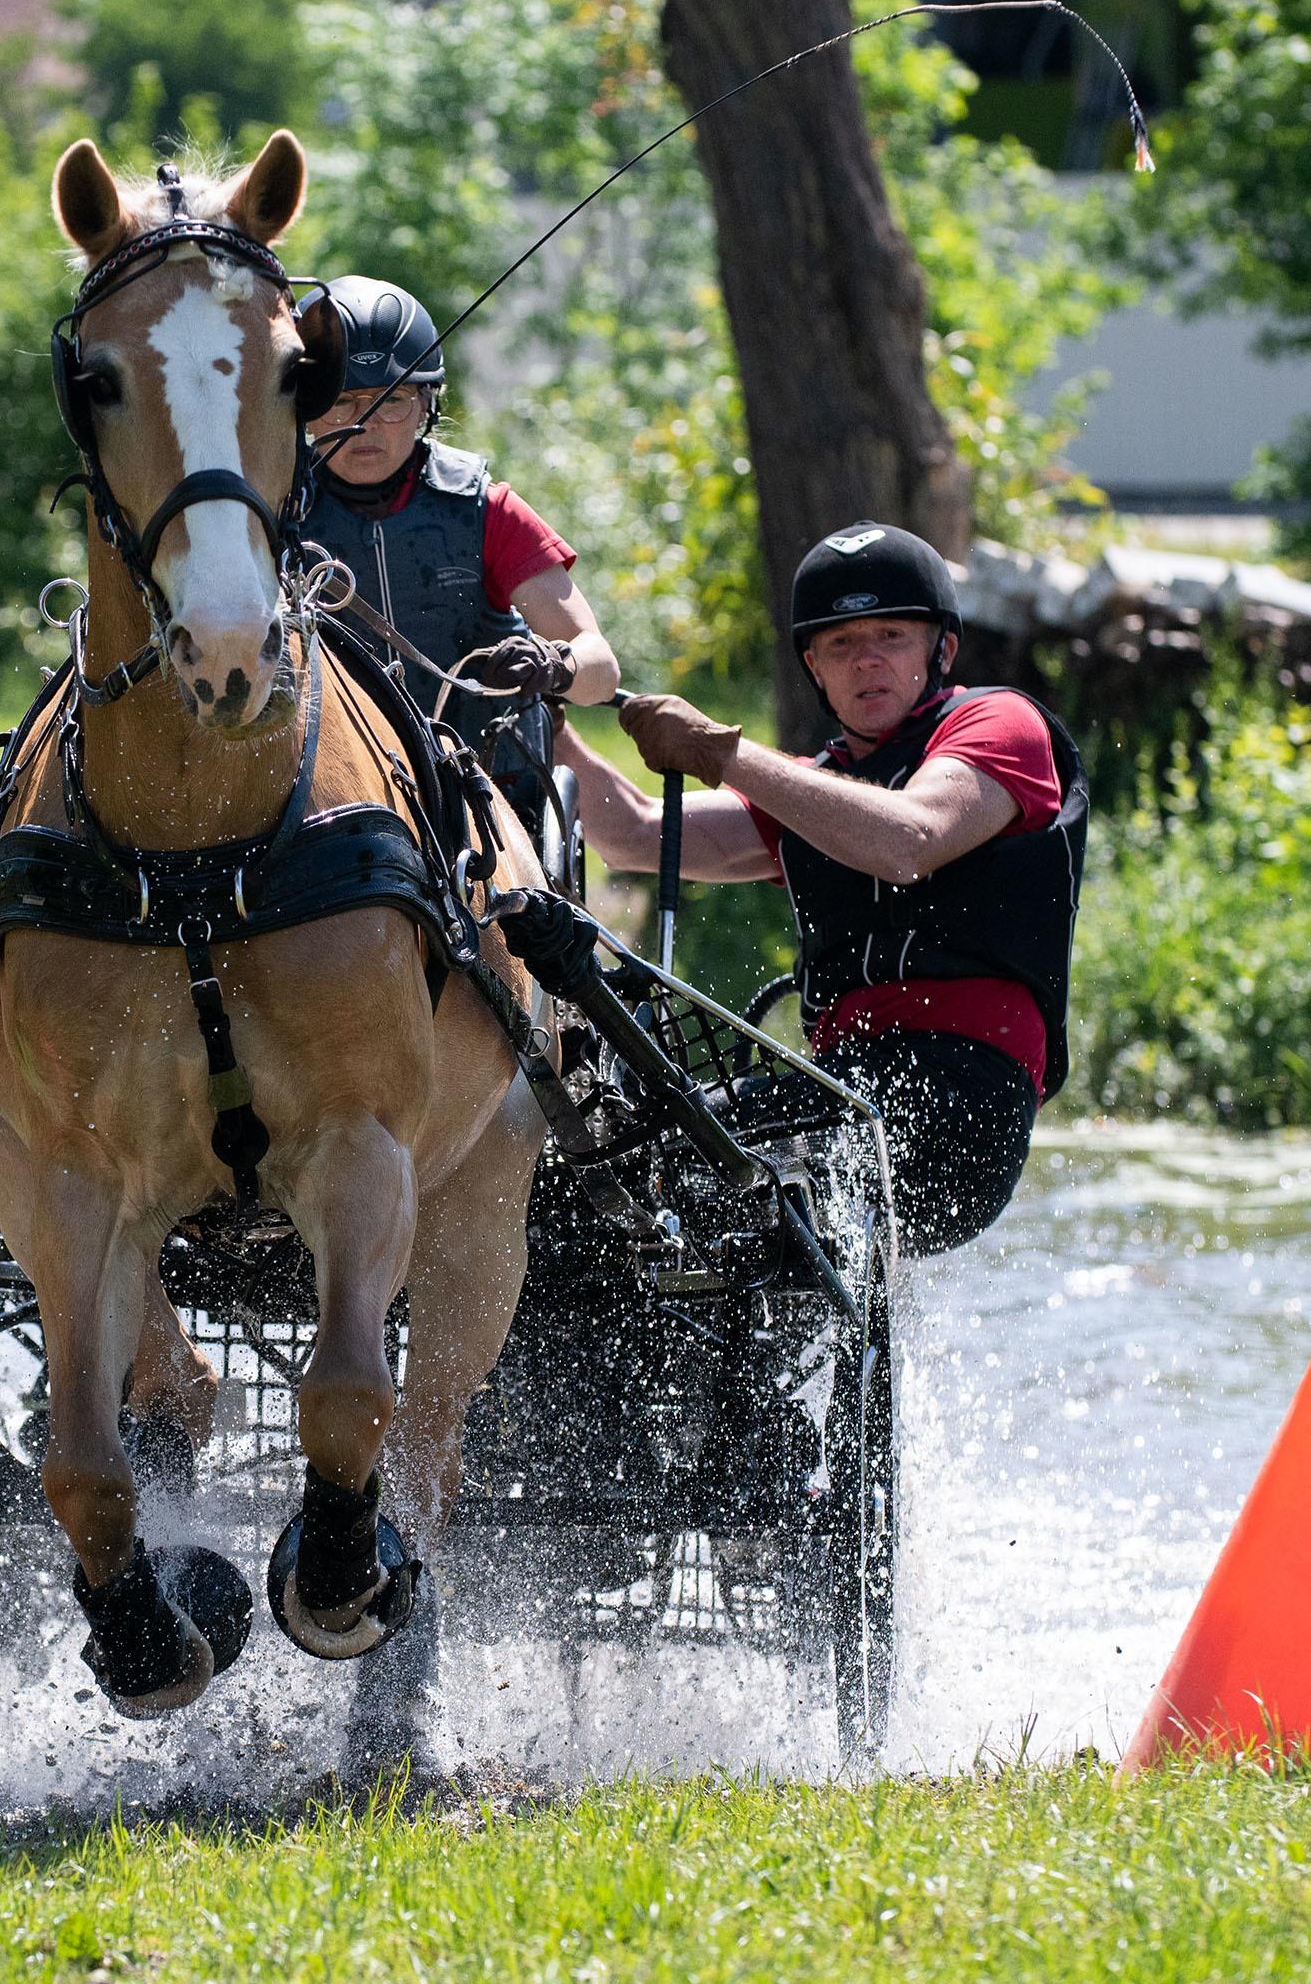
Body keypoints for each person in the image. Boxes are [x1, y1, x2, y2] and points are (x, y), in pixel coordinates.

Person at [566, 522, 1083, 1255]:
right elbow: (634, 833)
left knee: (722, 1184)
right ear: (814, 666)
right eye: (840, 644)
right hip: (841, 1087)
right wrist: (541, 718)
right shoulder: (816, 789)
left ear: (942, 650)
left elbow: (909, 840)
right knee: (597, 1193)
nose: (866, 658)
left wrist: (724, 754)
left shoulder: (1000, 723)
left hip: (963, 1095)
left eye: (891, 636)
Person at [294, 277, 619, 827]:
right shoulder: (275, 517)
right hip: (339, 804)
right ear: (305, 408)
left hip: (490, 798)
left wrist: (553, 664)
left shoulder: (488, 510)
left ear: (426, 404)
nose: (364, 425)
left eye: (391, 401)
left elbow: (601, 670)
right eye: (341, 402)